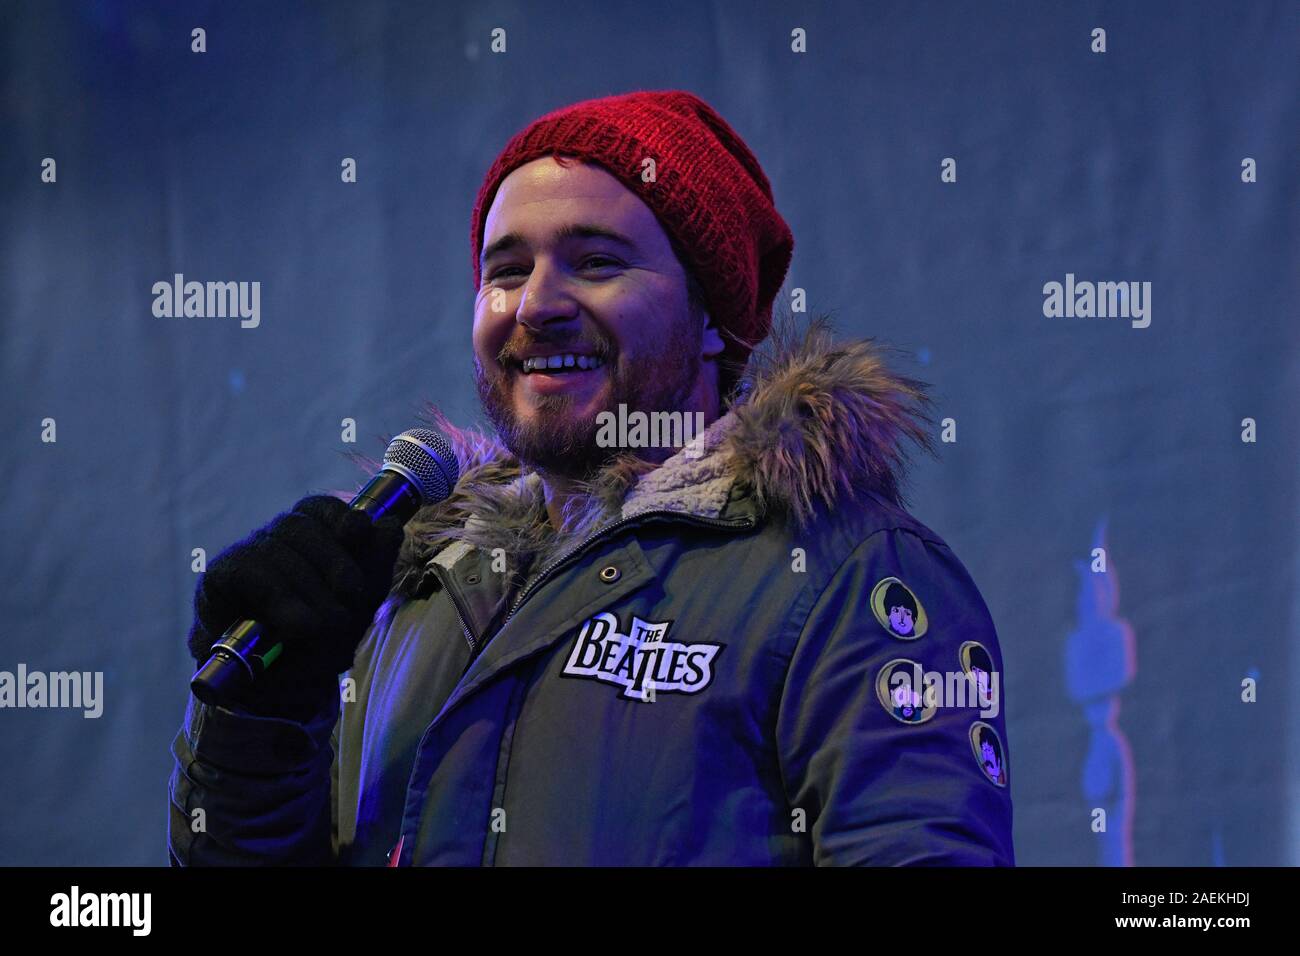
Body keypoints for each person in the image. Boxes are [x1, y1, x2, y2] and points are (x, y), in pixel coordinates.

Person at [169, 89, 1014, 866]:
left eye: (597, 262)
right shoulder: (413, 588)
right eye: (506, 270)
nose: (536, 303)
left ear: (715, 317)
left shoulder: (851, 575)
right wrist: (260, 721)